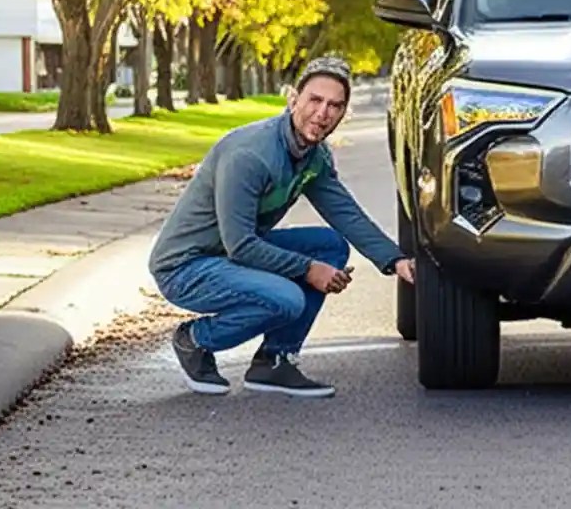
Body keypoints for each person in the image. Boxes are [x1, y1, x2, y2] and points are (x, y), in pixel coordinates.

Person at [147, 56, 415, 398]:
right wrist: (307, 269)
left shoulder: (313, 156)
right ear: (293, 100)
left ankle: (274, 362)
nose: (323, 113)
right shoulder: (250, 155)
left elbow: (345, 213)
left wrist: (394, 260)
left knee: (329, 246)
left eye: (335, 105)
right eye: (315, 100)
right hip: (185, 267)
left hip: (226, 256)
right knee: (288, 299)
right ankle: (195, 340)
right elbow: (241, 245)